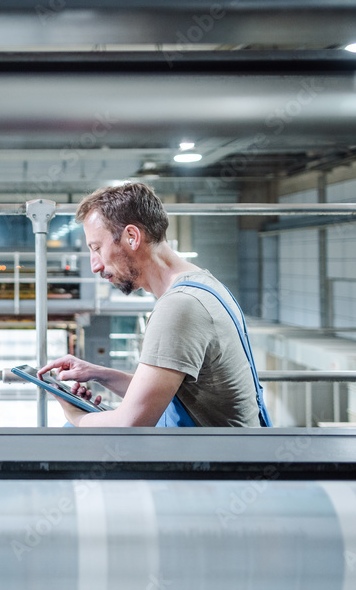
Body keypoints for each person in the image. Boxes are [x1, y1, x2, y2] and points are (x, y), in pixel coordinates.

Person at [37, 182, 264, 427]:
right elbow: (164, 390)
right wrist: (99, 374)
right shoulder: (203, 284)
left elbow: (131, 423)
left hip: (220, 462)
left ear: (132, 237)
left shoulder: (179, 307)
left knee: (71, 430)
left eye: (97, 248)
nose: (95, 266)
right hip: (231, 451)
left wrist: (75, 415)